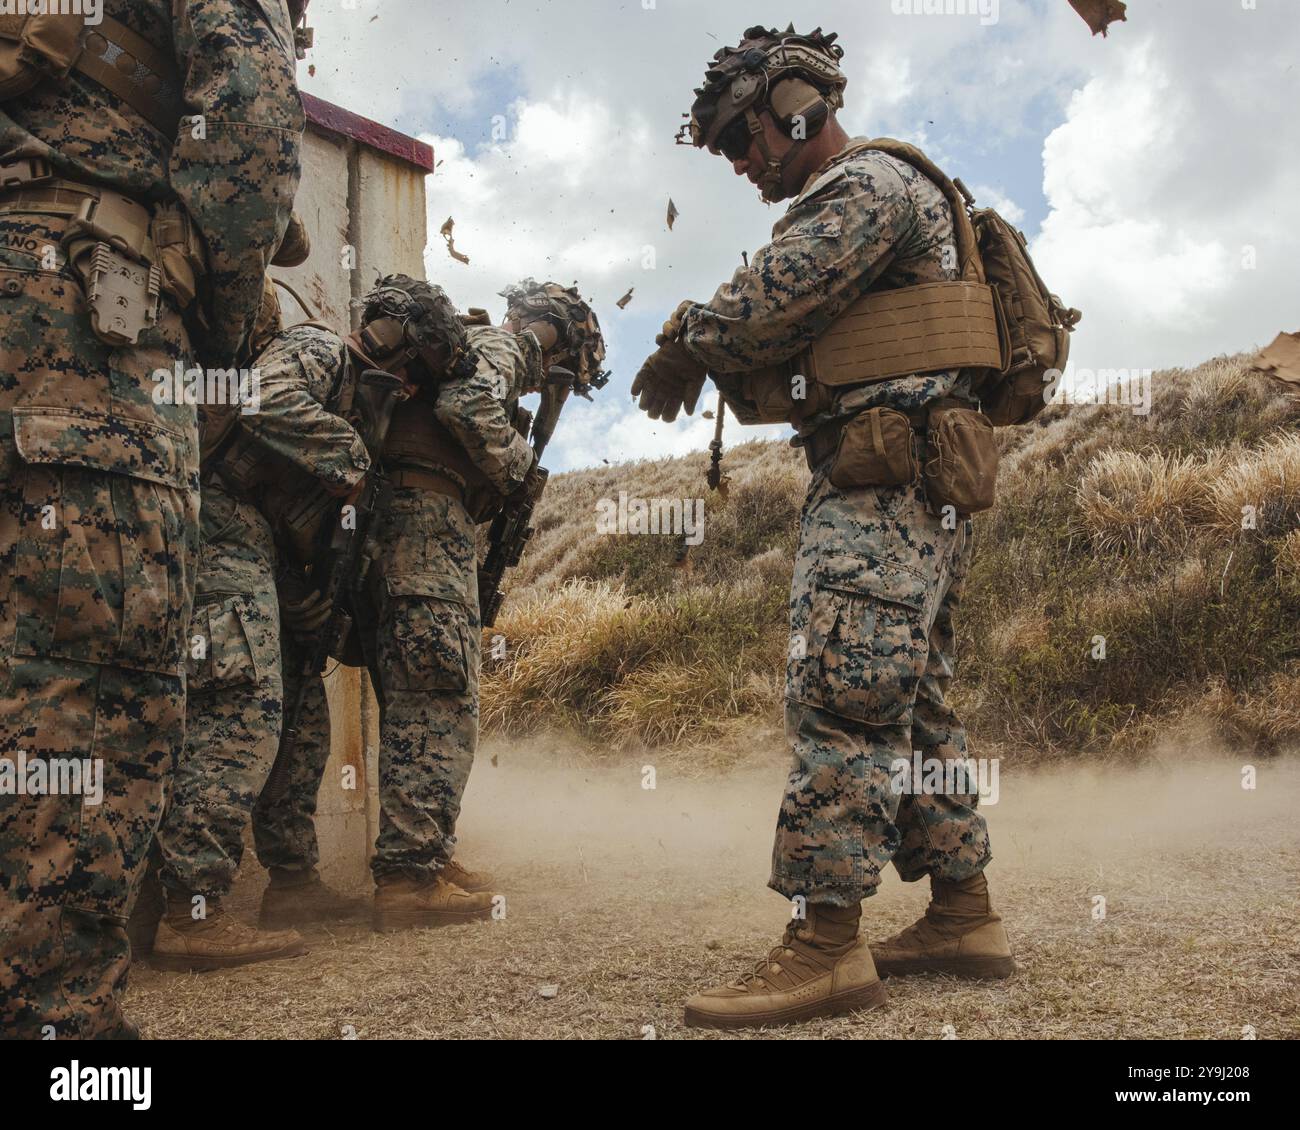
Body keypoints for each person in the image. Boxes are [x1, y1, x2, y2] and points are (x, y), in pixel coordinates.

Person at [632, 24, 1014, 1030]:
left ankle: (824, 943)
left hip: (883, 476)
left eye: (741, 135)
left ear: (794, 102)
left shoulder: (865, 186)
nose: (739, 159)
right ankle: (962, 913)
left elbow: (769, 303)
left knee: (841, 692)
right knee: (912, 695)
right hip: (915, 471)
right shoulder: (892, 189)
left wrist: (686, 339)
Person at [0, 0, 303, 1037]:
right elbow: (252, 116)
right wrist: (212, 330)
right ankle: (56, 1034)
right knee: (92, 683)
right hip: (80, 315)